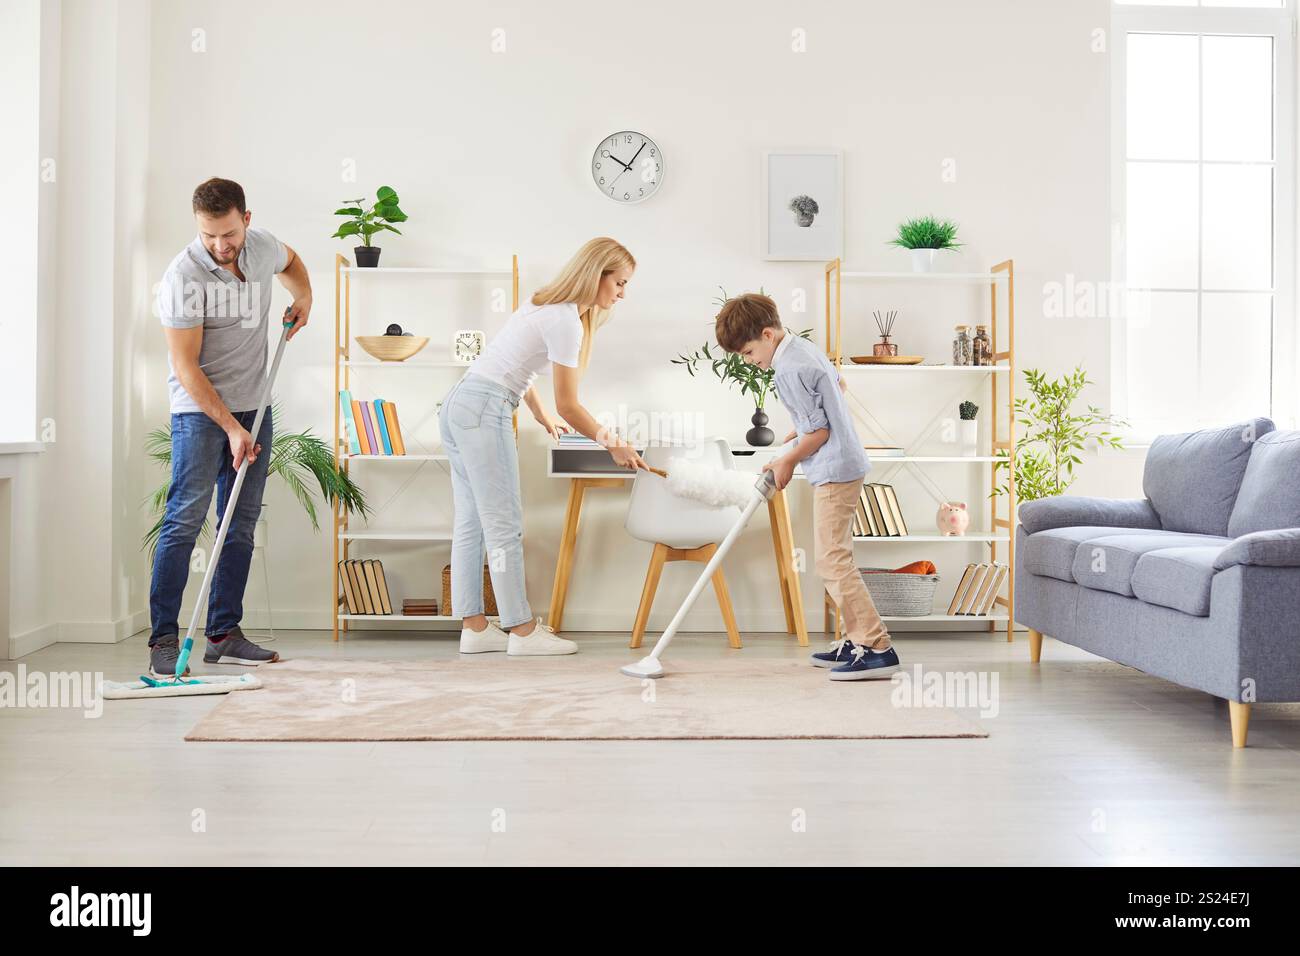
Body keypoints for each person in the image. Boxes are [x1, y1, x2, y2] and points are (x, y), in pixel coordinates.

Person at [440, 237, 645, 656]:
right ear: (597, 274)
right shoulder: (566, 321)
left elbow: (515, 362)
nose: (622, 294)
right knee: (504, 525)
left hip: (462, 402)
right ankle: (520, 629)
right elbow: (570, 405)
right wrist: (614, 444)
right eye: (620, 283)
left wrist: (537, 412)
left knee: (473, 523)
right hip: (484, 410)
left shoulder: (544, 304)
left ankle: (475, 627)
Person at [147, 177, 311, 678]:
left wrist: (304, 299)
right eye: (208, 235)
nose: (220, 246)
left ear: (246, 219)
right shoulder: (183, 277)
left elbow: (293, 262)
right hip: (200, 414)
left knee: (238, 524)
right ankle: (163, 639)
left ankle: (223, 634)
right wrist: (230, 428)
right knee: (184, 521)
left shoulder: (260, 248)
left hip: (254, 409)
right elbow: (185, 369)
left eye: (228, 234)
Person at [714, 293, 899, 680]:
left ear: (767, 334)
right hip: (844, 461)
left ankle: (877, 646)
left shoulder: (787, 370)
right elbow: (838, 386)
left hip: (834, 468)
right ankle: (857, 638)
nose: (750, 362)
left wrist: (786, 458)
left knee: (832, 559)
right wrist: (799, 426)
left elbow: (821, 431)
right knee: (832, 558)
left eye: (749, 352)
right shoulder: (803, 350)